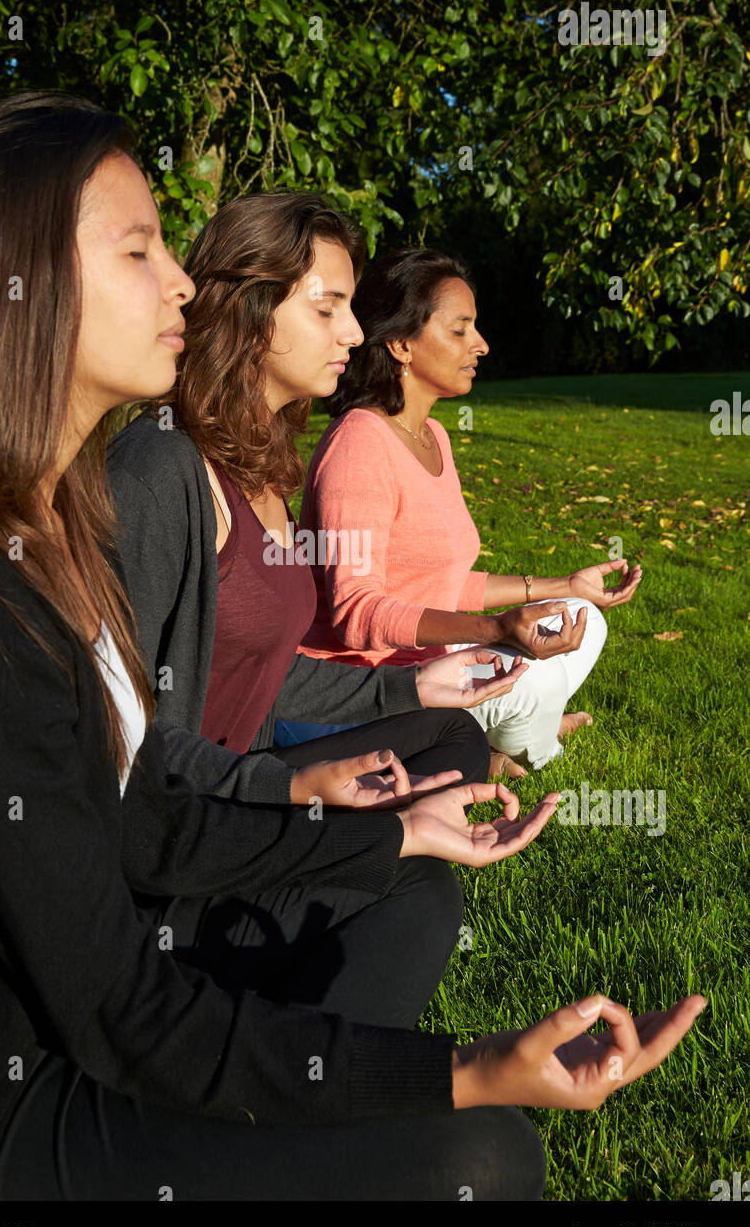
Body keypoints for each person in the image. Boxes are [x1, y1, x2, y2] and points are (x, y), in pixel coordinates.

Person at [0, 92, 703, 1203]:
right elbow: (123, 1003)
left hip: (108, 994)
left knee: (414, 882)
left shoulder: (50, 534)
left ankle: (285, 1102)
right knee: (480, 1157)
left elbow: (142, 812)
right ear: (10, 288)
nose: (180, 280)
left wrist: (384, 833)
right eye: (139, 250)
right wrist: (459, 1074)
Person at [108, 194, 528, 804]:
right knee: (407, 852)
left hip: (241, 780)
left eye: (350, 309)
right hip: (183, 814)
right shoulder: (159, 471)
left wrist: (413, 686)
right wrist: (287, 788)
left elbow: (264, 673)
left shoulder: (264, 468)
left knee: (451, 738)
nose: (357, 333)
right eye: (328, 308)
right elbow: (116, 729)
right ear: (250, 313)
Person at [298, 248, 642, 777]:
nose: (480, 345)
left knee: (583, 619)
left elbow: (438, 584)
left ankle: (516, 723)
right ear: (400, 343)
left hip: (423, 660)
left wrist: (566, 585)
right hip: (362, 691)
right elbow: (356, 614)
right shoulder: (359, 446)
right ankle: (518, 745)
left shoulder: (431, 433)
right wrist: (493, 630)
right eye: (460, 330)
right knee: (539, 678)